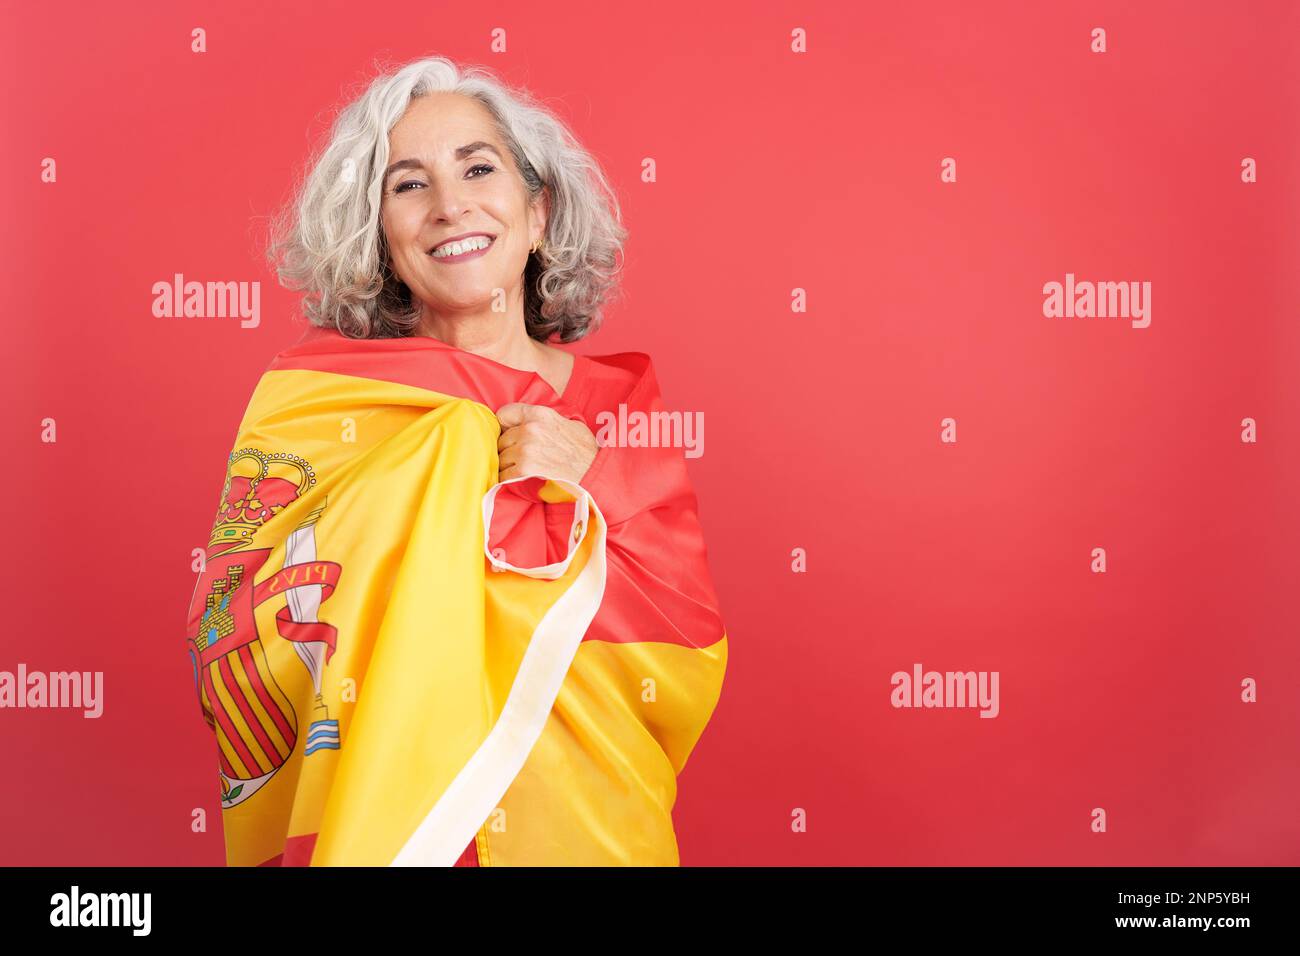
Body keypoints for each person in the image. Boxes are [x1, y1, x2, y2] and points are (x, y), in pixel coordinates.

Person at [185, 55, 728, 866]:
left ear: (537, 211)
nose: (450, 206)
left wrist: (595, 486)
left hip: (589, 827)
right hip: (395, 821)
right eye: (408, 185)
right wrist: (420, 475)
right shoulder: (326, 406)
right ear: (377, 236)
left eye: (479, 167)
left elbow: (686, 652)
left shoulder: (620, 410)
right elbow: (233, 623)